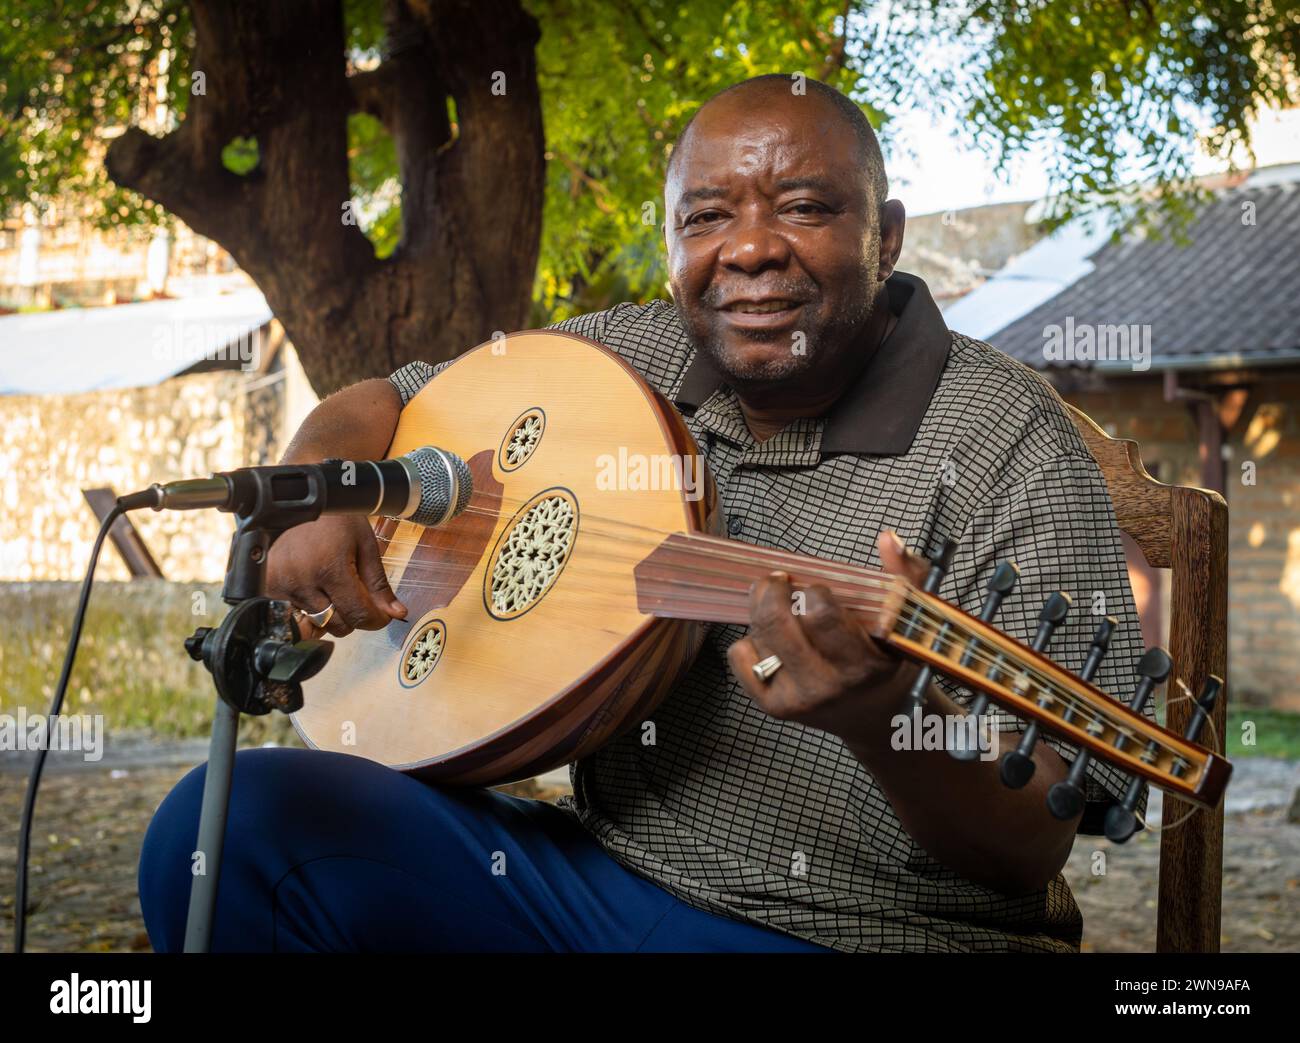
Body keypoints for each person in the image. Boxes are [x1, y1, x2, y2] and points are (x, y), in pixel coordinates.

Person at [139, 74, 1147, 953]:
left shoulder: (1005, 436)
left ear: (883, 236)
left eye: (801, 206)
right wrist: (322, 479)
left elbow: (1032, 840)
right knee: (227, 828)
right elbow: (389, 397)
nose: (749, 249)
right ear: (672, 245)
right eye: (706, 217)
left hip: (868, 931)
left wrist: (879, 718)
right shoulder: (632, 351)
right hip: (593, 887)